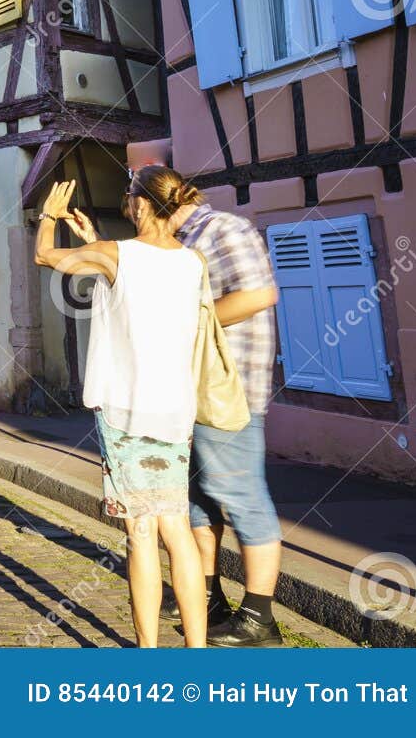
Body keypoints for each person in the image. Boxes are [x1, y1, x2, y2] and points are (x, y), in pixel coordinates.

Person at [35, 169, 208, 648]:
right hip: (175, 409)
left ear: (142, 204)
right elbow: (141, 289)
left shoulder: (117, 256)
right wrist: (95, 241)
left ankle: (149, 653)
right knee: (177, 528)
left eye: (130, 196)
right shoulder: (193, 261)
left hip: (126, 409)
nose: (127, 202)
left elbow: (44, 256)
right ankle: (197, 651)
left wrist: (49, 216)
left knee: (141, 531)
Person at [168, 181, 284, 647]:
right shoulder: (185, 241)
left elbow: (259, 295)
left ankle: (259, 619)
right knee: (198, 499)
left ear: (164, 200)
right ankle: (210, 598)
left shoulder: (224, 229)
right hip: (195, 391)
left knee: (240, 494)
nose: (133, 214)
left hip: (229, 390)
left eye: (134, 204)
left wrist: (184, 321)